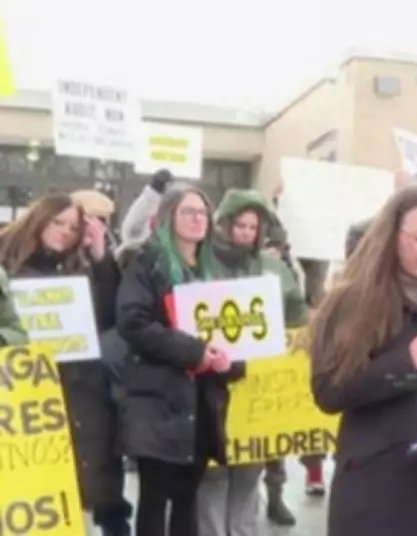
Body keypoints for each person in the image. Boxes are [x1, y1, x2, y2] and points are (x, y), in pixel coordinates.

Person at [311, 185, 417, 536]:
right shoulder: (353, 302)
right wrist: (405, 360)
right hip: (379, 489)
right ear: (393, 236)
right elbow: (329, 391)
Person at [115, 182, 243, 536]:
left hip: (201, 403)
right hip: (158, 402)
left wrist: (229, 363)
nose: (197, 219)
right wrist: (195, 351)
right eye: (188, 212)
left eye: (203, 212)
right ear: (169, 217)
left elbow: (237, 336)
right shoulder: (147, 264)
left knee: (189, 498)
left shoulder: (214, 270)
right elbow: (133, 322)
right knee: (155, 500)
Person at [0, 194, 122, 532]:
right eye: (58, 222)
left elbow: (110, 319)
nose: (66, 232)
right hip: (19, 405)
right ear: (39, 218)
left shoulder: (80, 271)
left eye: (73, 227)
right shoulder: (5, 267)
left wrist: (101, 257)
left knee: (75, 507)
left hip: (79, 402)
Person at [196, 188, 308, 533]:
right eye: (240, 225)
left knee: (248, 473)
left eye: (252, 226)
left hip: (258, 388)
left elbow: (297, 318)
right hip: (211, 386)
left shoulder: (274, 269)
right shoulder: (199, 261)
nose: (245, 232)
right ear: (226, 225)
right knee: (213, 475)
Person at [70, 188, 134, 536]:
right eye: (88, 220)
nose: (94, 228)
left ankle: (112, 519)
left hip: (98, 383)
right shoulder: (52, 263)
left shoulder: (107, 264)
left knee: (105, 464)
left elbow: (114, 316)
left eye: (103, 221)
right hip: (60, 382)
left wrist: (101, 260)